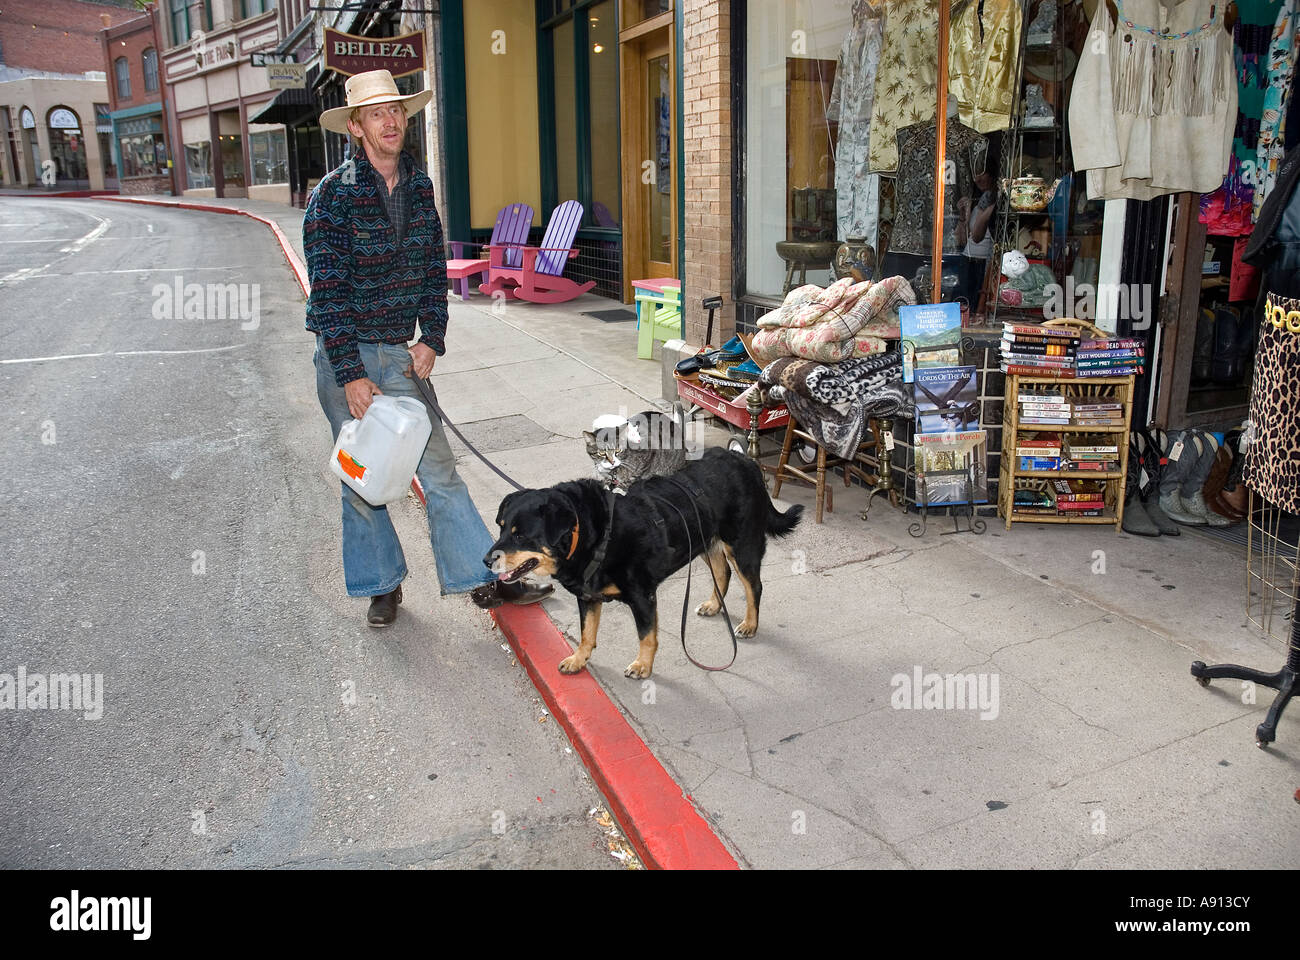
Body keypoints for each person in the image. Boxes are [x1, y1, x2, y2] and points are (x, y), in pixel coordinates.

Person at [305, 69, 551, 627]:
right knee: (361, 477)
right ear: (356, 127)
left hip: (399, 353)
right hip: (347, 356)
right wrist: (349, 373)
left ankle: (483, 577)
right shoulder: (331, 196)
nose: (390, 121)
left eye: (396, 110)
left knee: (439, 470)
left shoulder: (419, 186)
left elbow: (426, 268)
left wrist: (432, 338)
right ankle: (382, 584)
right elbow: (329, 290)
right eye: (376, 113)